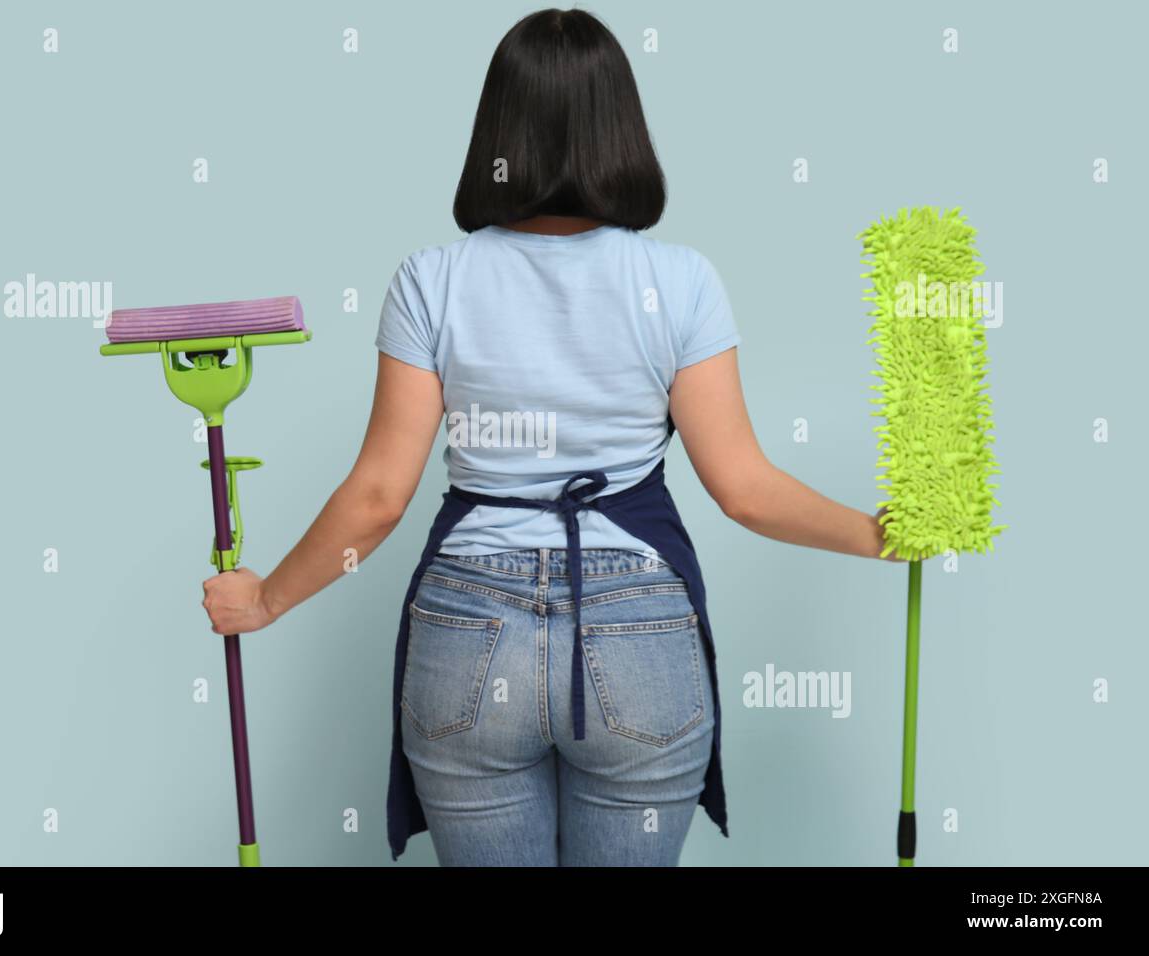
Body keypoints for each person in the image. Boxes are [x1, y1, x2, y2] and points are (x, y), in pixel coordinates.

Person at [202, 7, 901, 867]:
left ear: (498, 129)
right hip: (640, 631)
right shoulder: (679, 282)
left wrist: (266, 599)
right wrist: (886, 537)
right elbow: (743, 490)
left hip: (467, 630)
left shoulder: (434, 280)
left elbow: (380, 497)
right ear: (623, 130)